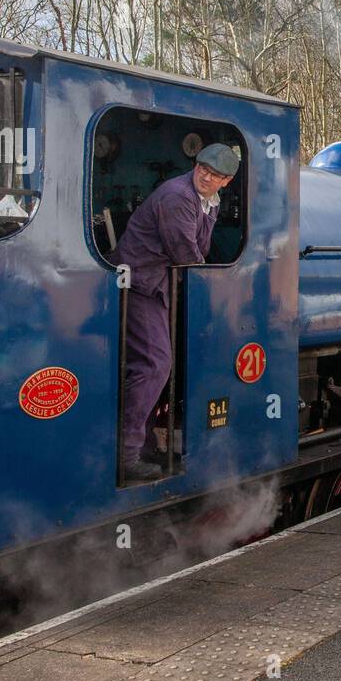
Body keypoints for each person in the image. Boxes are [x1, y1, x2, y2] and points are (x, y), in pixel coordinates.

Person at [113, 143, 238, 480]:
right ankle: (125, 454)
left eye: (215, 175)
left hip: (158, 285)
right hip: (140, 284)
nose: (206, 177)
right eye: (202, 169)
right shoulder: (178, 196)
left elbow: (203, 246)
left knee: (162, 366)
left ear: (227, 180)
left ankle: (146, 444)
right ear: (195, 165)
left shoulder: (210, 201)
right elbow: (186, 251)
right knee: (155, 364)